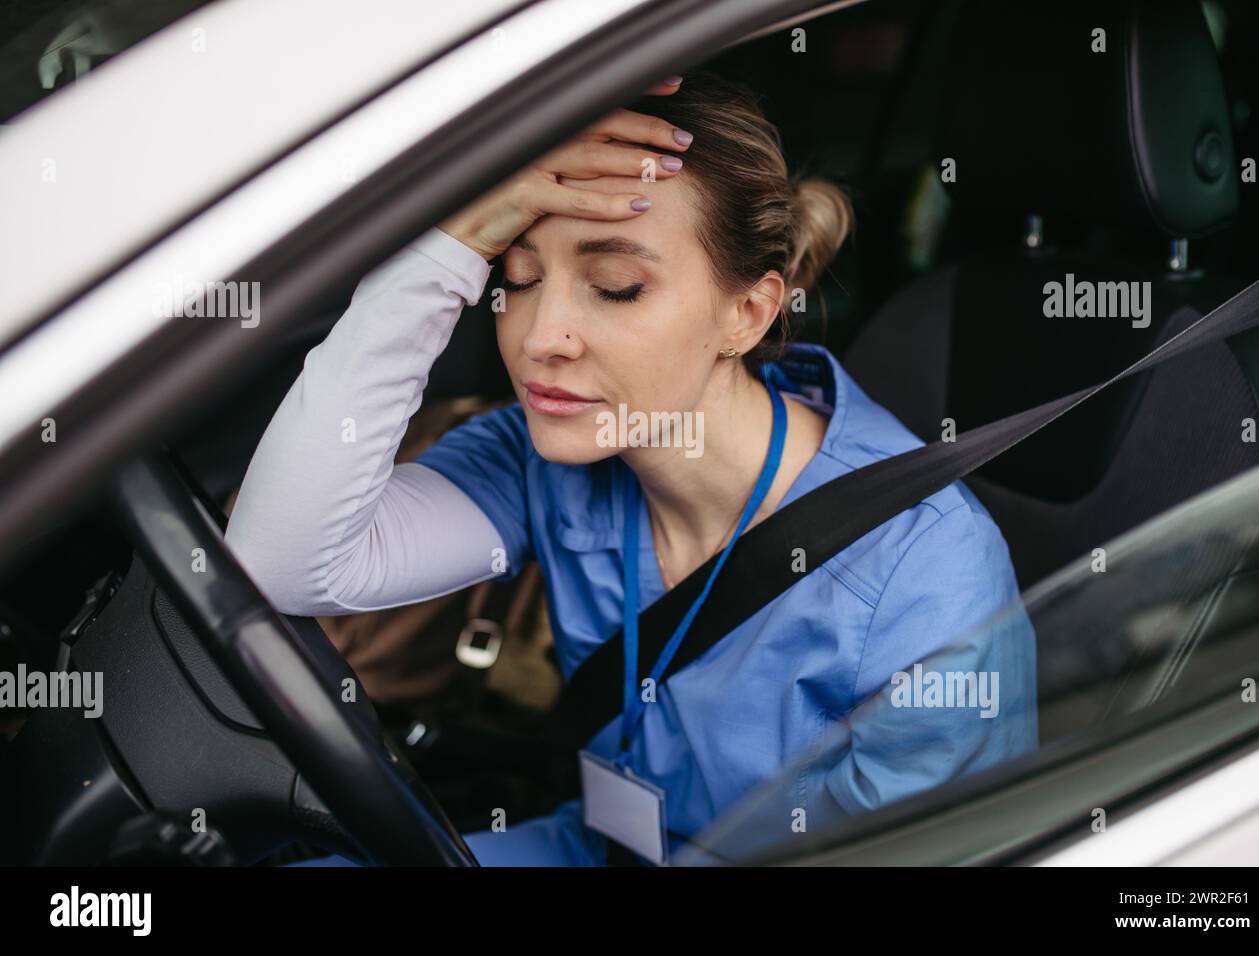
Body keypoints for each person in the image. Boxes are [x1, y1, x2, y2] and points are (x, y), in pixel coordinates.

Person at [226, 72, 1036, 867]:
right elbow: (284, 562)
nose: (541, 337)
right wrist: (449, 249)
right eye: (518, 278)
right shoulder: (537, 456)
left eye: (615, 287)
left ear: (748, 314)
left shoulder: (924, 573)